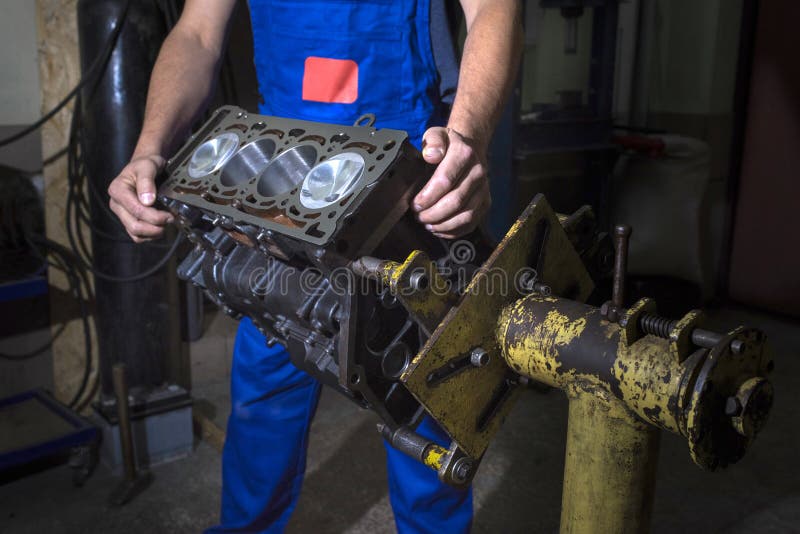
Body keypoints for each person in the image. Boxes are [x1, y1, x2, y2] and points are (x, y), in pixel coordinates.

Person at [107, 0, 522, 531]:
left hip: (406, 191)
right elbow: (197, 33)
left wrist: (468, 137)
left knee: (428, 410)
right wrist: (149, 147)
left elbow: (492, 7)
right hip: (281, 189)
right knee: (263, 406)